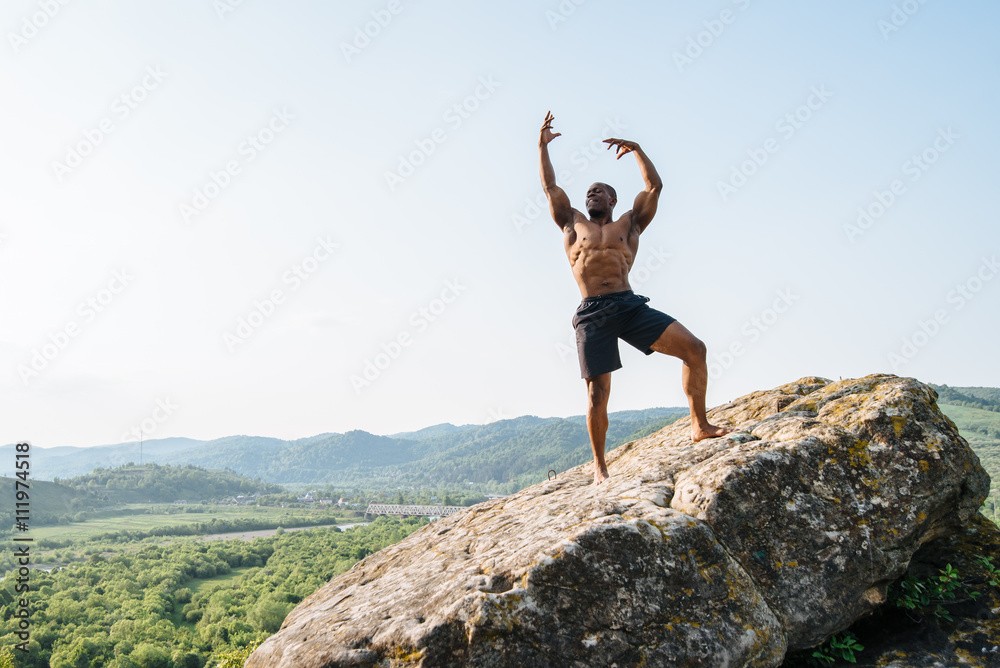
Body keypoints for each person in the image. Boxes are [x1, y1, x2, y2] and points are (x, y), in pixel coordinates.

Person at [538, 111, 733, 485]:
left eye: (597, 191)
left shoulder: (630, 223)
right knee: (598, 394)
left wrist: (638, 150)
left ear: (612, 198)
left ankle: (700, 425)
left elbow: (655, 188)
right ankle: (599, 467)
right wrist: (542, 147)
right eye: (587, 192)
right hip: (592, 313)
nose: (590, 194)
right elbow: (550, 188)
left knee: (695, 348)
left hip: (628, 306)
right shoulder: (571, 223)